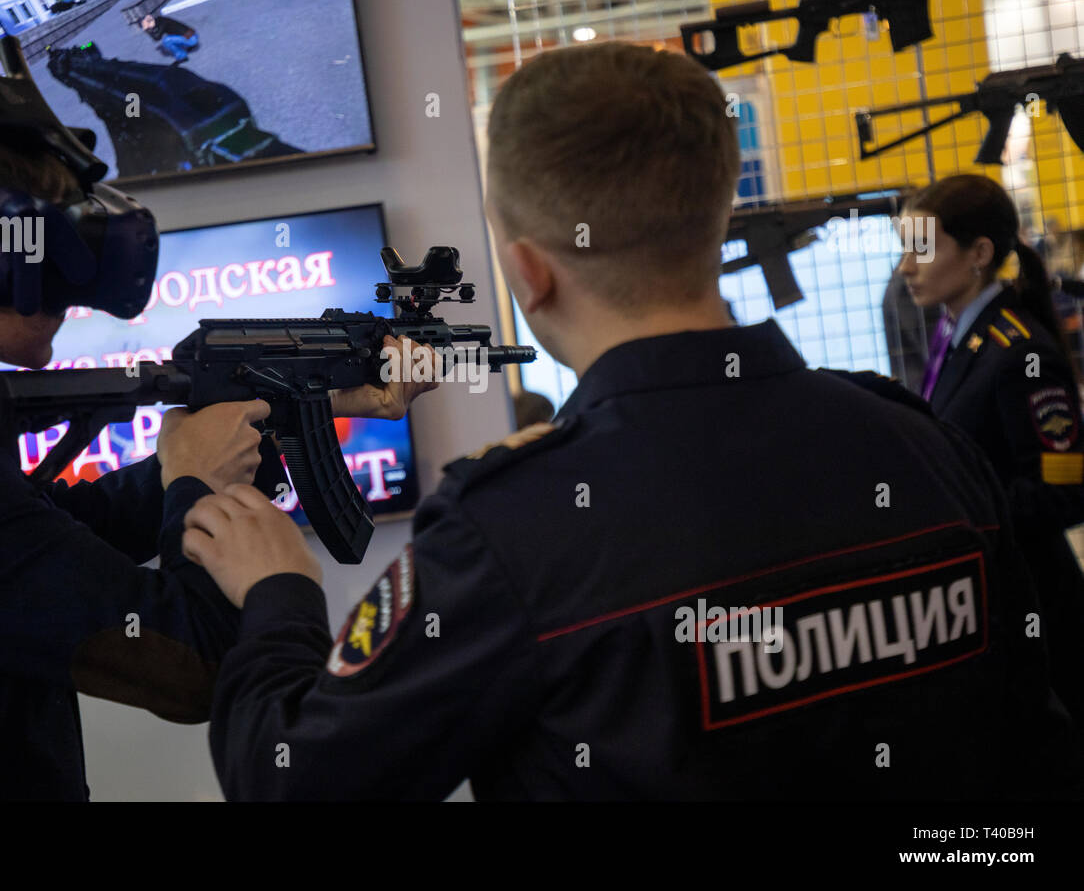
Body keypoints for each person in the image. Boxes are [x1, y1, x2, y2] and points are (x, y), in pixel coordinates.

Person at [185, 43, 1082, 800]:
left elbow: (286, 777)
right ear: (718, 213)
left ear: (528, 272)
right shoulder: (918, 446)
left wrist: (278, 596)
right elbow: (1036, 757)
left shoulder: (512, 532)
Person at [0, 82, 427, 799]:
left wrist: (293, 404)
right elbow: (195, 665)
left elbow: (50, 537)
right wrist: (199, 486)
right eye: (59, 253)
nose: (77, 283)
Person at [897, 174, 1084, 734]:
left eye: (922, 248)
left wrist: (956, 515)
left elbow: (1065, 492)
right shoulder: (962, 339)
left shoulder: (1018, 353)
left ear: (979, 253)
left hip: (1040, 612)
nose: (907, 266)